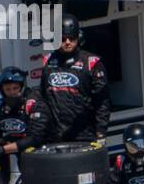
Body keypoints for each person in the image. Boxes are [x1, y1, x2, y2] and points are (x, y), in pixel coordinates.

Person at [39, 13, 109, 143]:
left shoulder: (91, 62)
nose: (67, 42)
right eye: (63, 38)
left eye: (71, 38)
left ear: (78, 37)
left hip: (84, 134)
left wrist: (101, 132)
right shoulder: (48, 61)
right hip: (55, 135)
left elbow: (102, 101)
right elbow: (43, 98)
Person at [0, 65, 47, 157]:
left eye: (15, 88)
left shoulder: (34, 103)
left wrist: (4, 149)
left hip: (37, 155)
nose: (12, 92)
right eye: (8, 89)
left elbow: (36, 137)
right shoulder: (0, 106)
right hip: (9, 151)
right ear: (2, 90)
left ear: (22, 87)